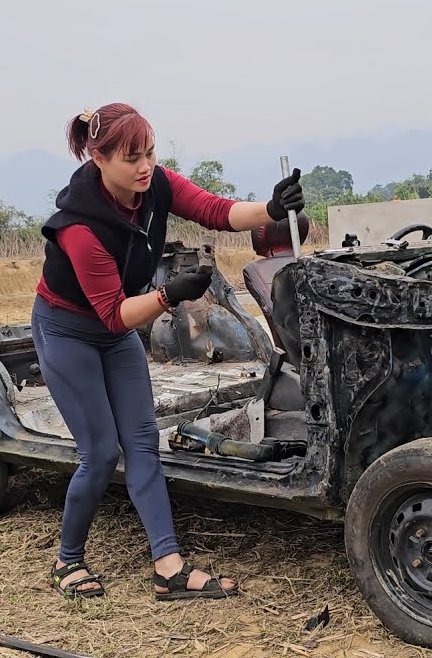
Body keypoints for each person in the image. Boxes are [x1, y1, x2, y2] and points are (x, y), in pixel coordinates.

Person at [32, 102, 304, 601]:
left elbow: (216, 211)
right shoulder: (80, 228)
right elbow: (114, 313)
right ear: (98, 157)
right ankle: (67, 560)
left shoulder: (153, 183)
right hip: (69, 331)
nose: (145, 166)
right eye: (131, 157)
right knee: (99, 453)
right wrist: (169, 295)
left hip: (114, 333)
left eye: (151, 153)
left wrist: (269, 208)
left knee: (142, 443)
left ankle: (168, 566)